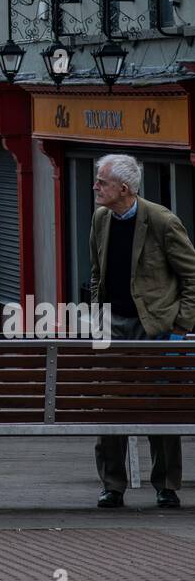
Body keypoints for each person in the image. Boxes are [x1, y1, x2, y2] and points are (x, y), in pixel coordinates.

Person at [90, 153, 195, 509]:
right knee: (111, 407)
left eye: (102, 182)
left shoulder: (162, 221)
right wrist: (97, 316)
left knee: (158, 407)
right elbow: (96, 272)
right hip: (114, 324)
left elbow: (191, 276)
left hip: (156, 326)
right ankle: (112, 485)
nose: (96, 187)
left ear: (124, 187)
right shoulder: (101, 219)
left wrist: (181, 326)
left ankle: (166, 485)